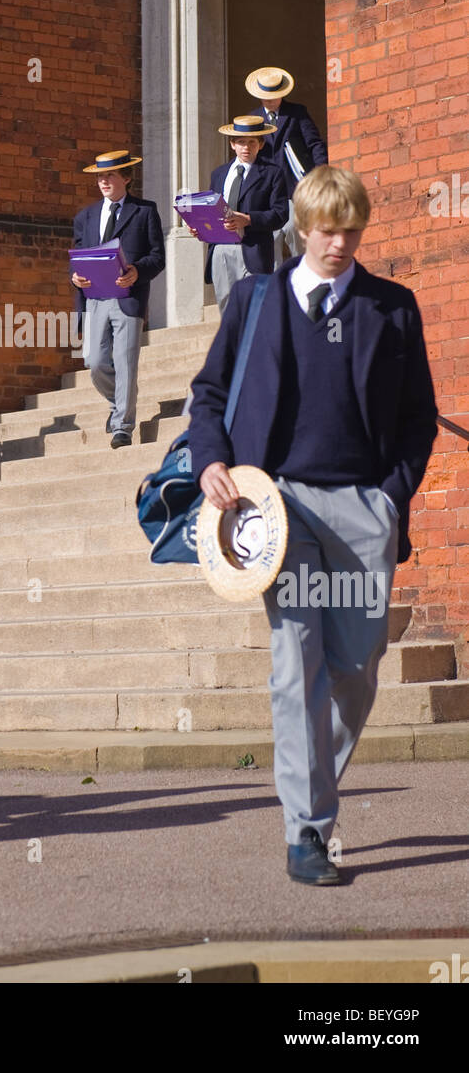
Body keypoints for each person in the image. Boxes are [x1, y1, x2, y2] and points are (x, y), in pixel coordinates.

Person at [187, 167, 437, 885]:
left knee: (356, 672)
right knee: (295, 665)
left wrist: (392, 497)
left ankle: (311, 783)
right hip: (279, 506)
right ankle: (306, 830)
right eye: (327, 229)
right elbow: (207, 395)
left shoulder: (393, 307)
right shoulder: (254, 299)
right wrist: (212, 461)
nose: (339, 243)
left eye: (351, 230)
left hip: (364, 510)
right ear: (301, 227)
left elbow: (419, 418)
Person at [72, 149, 165, 447]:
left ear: (126, 177)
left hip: (128, 297)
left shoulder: (145, 210)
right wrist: (75, 278)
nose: (103, 181)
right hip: (96, 298)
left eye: (109, 175)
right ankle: (119, 402)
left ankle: (122, 425)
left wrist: (138, 271)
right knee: (95, 362)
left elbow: (157, 256)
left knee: (125, 362)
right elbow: (78, 260)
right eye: (100, 176)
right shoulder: (84, 217)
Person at [186, 115, 287, 313]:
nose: (246, 147)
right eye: (241, 142)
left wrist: (248, 220)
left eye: (251, 142)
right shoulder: (219, 174)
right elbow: (211, 209)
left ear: (261, 143)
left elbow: (280, 214)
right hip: (221, 250)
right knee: (227, 310)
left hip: (253, 249)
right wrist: (201, 229)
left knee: (255, 309)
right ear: (232, 144)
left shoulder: (272, 173)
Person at [245, 66, 327, 261]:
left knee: (294, 229)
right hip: (266, 189)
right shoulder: (252, 119)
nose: (270, 99)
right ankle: (276, 284)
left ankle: (306, 270)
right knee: (271, 237)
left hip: (294, 185)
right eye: (266, 95)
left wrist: (320, 174)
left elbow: (314, 144)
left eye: (274, 95)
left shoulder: (297, 113)